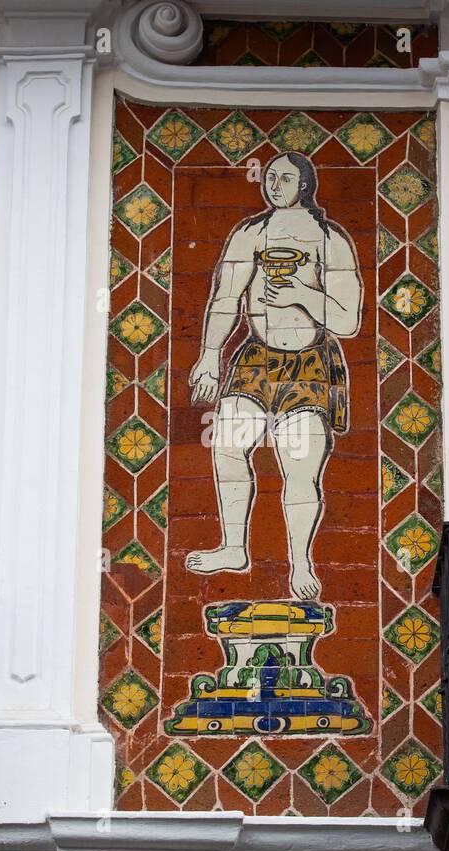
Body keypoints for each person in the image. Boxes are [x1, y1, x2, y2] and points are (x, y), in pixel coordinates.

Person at [186, 152, 363, 600]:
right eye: (268, 177)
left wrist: (303, 292)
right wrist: (209, 354)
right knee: (227, 446)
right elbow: (226, 298)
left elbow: (347, 320)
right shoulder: (251, 234)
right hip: (255, 359)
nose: (273, 184)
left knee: (299, 470)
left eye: (284, 177)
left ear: (304, 184)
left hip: (309, 364)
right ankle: (232, 547)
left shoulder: (330, 240)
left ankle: (300, 562)